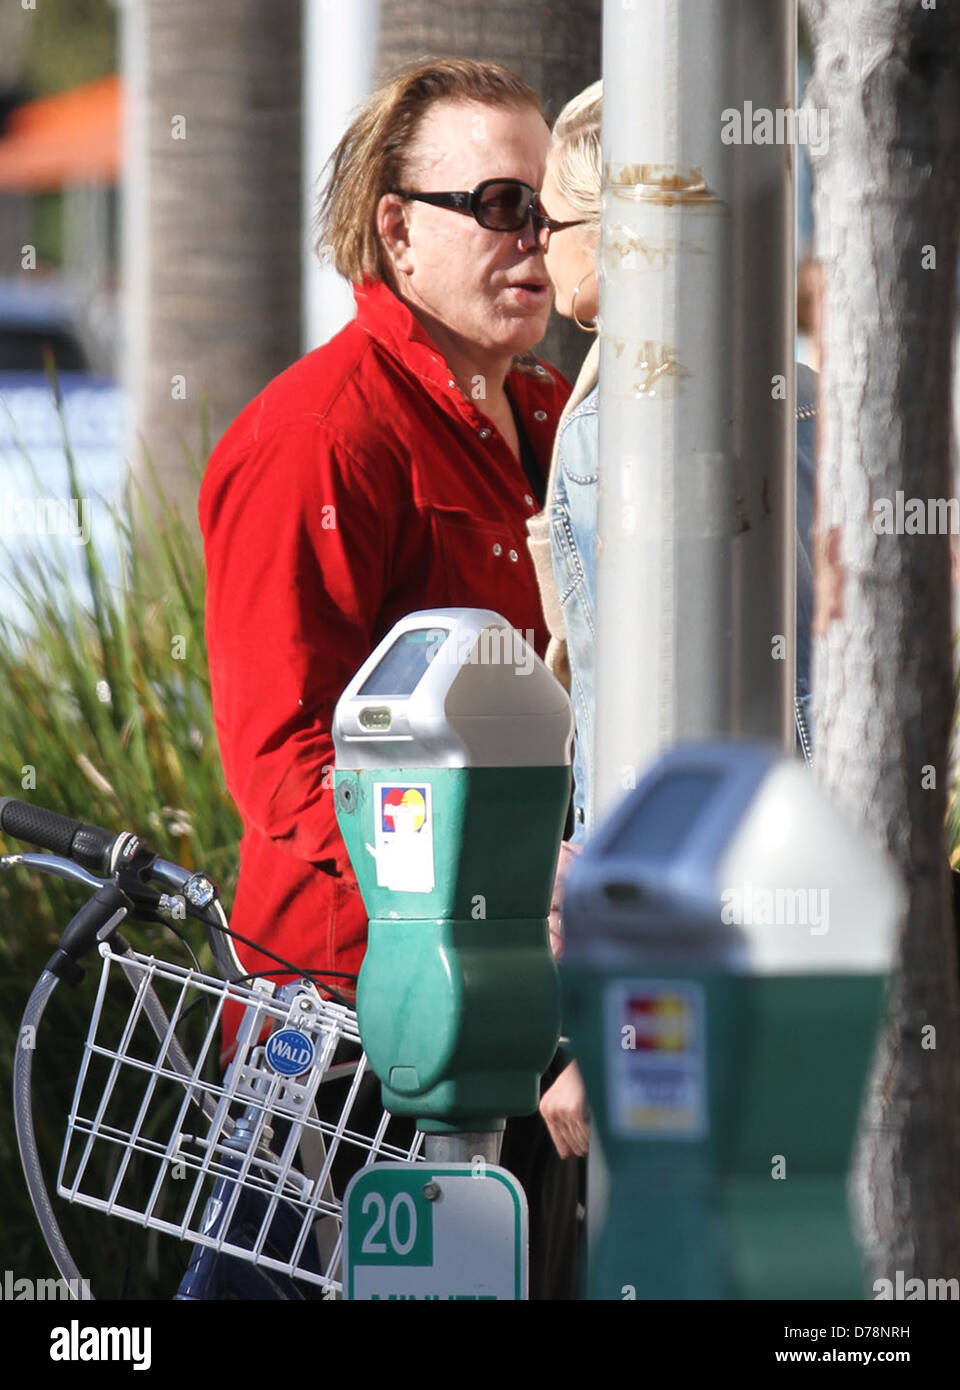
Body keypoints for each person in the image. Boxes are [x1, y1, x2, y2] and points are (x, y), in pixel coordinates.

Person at [198, 56, 584, 1299]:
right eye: (500, 205)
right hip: (345, 1033)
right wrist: (509, 941)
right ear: (396, 230)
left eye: (556, 205)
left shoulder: (553, 418)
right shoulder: (321, 436)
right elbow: (285, 772)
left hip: (503, 1016)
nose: (536, 237)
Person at [528, 79, 818, 1162]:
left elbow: (652, 732)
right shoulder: (788, 384)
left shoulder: (627, 425)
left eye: (551, 220)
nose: (539, 249)